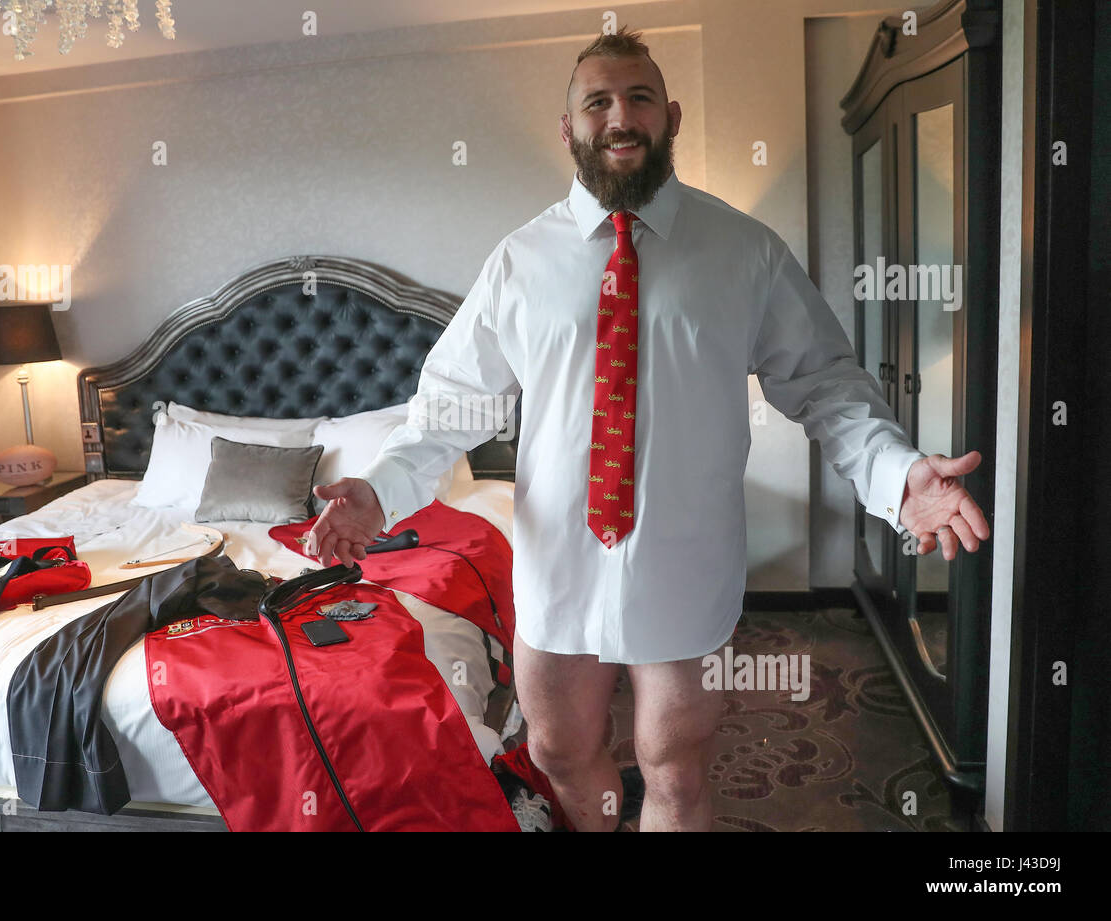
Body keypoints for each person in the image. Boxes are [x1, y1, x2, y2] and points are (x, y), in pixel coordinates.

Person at [301, 26, 991, 832]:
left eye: (638, 98)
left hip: (683, 561)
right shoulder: (520, 264)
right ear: (569, 129)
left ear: (671, 115)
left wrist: (896, 473)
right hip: (559, 568)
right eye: (598, 101)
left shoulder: (745, 251)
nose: (619, 116)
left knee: (678, 767)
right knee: (559, 752)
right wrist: (379, 492)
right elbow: (453, 401)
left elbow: (826, 383)